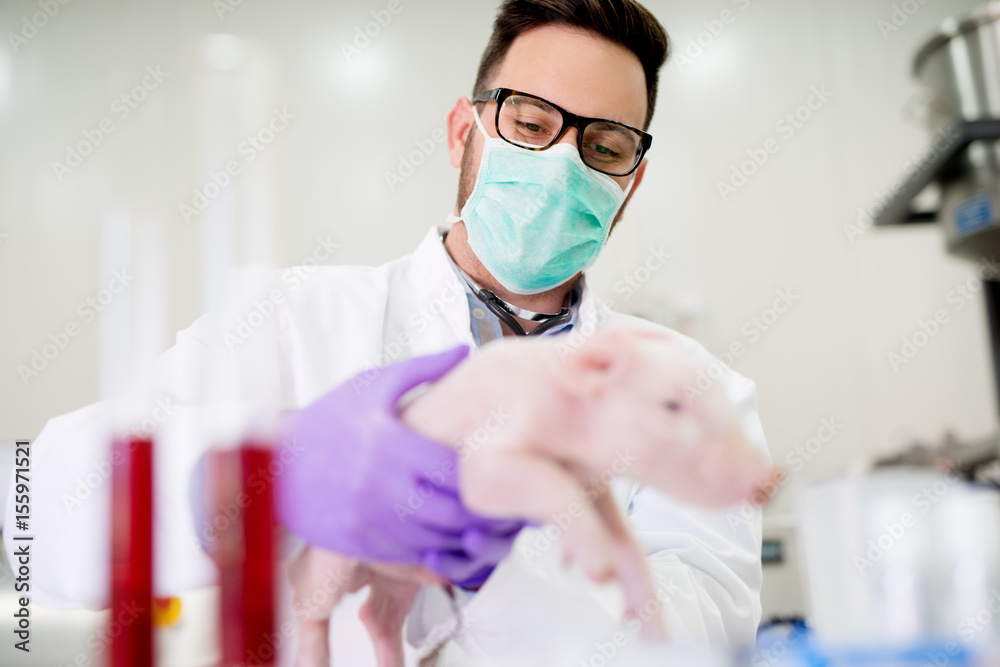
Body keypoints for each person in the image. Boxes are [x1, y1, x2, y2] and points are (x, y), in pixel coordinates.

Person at [4, 0, 771, 661]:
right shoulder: (289, 315)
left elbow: (707, 636)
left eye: (603, 147)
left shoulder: (691, 385)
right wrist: (258, 475)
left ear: (629, 183)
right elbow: (26, 515)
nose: (561, 164)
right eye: (530, 123)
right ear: (459, 134)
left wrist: (492, 552)